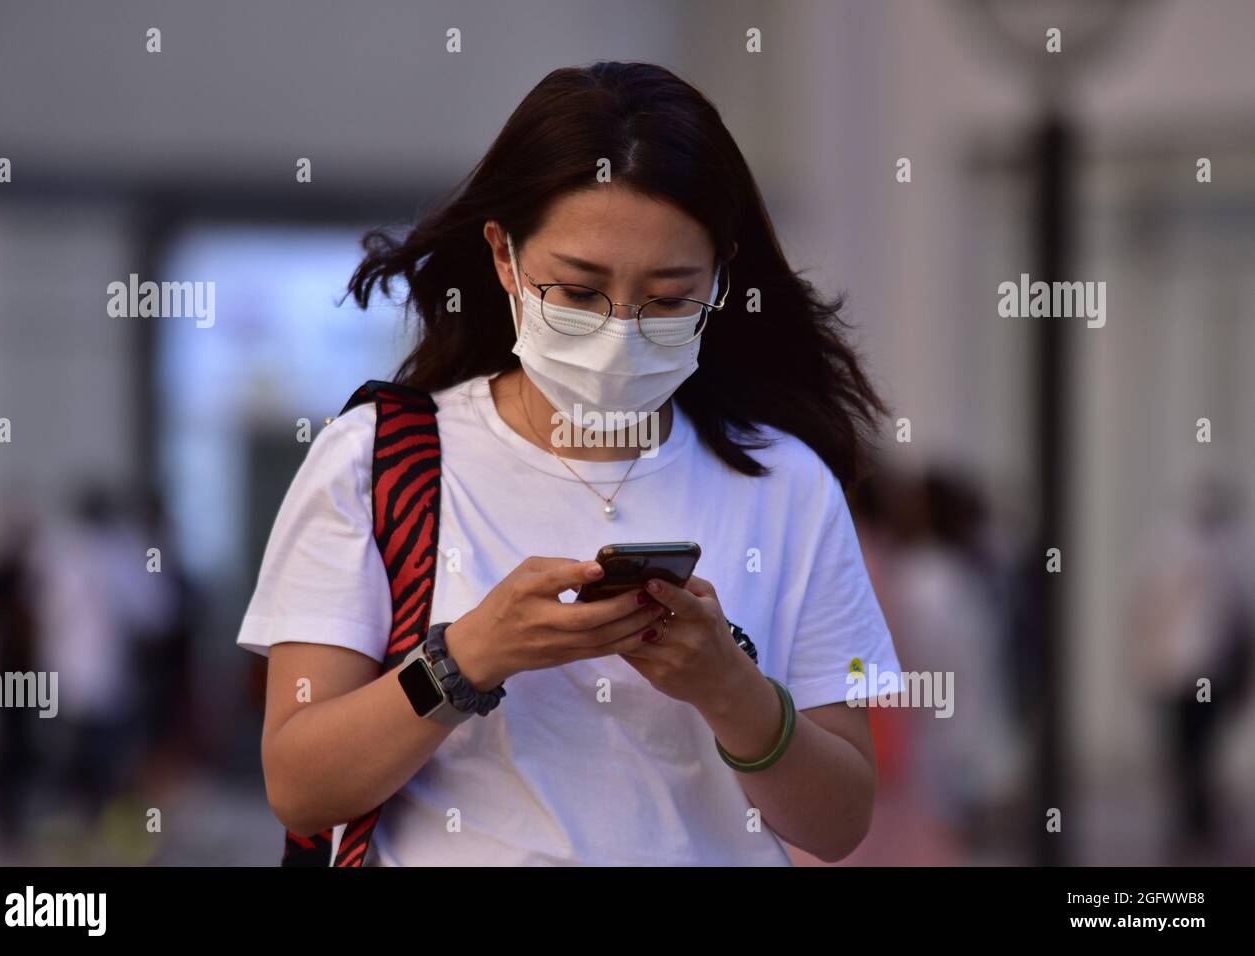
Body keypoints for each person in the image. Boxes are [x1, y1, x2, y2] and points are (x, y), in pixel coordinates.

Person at [238, 61, 900, 865]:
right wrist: (471, 655)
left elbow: (840, 821)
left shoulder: (786, 484)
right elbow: (301, 781)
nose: (621, 332)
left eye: (667, 298)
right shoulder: (378, 462)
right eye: (578, 294)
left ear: (721, 277)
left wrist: (732, 690)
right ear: (504, 258)